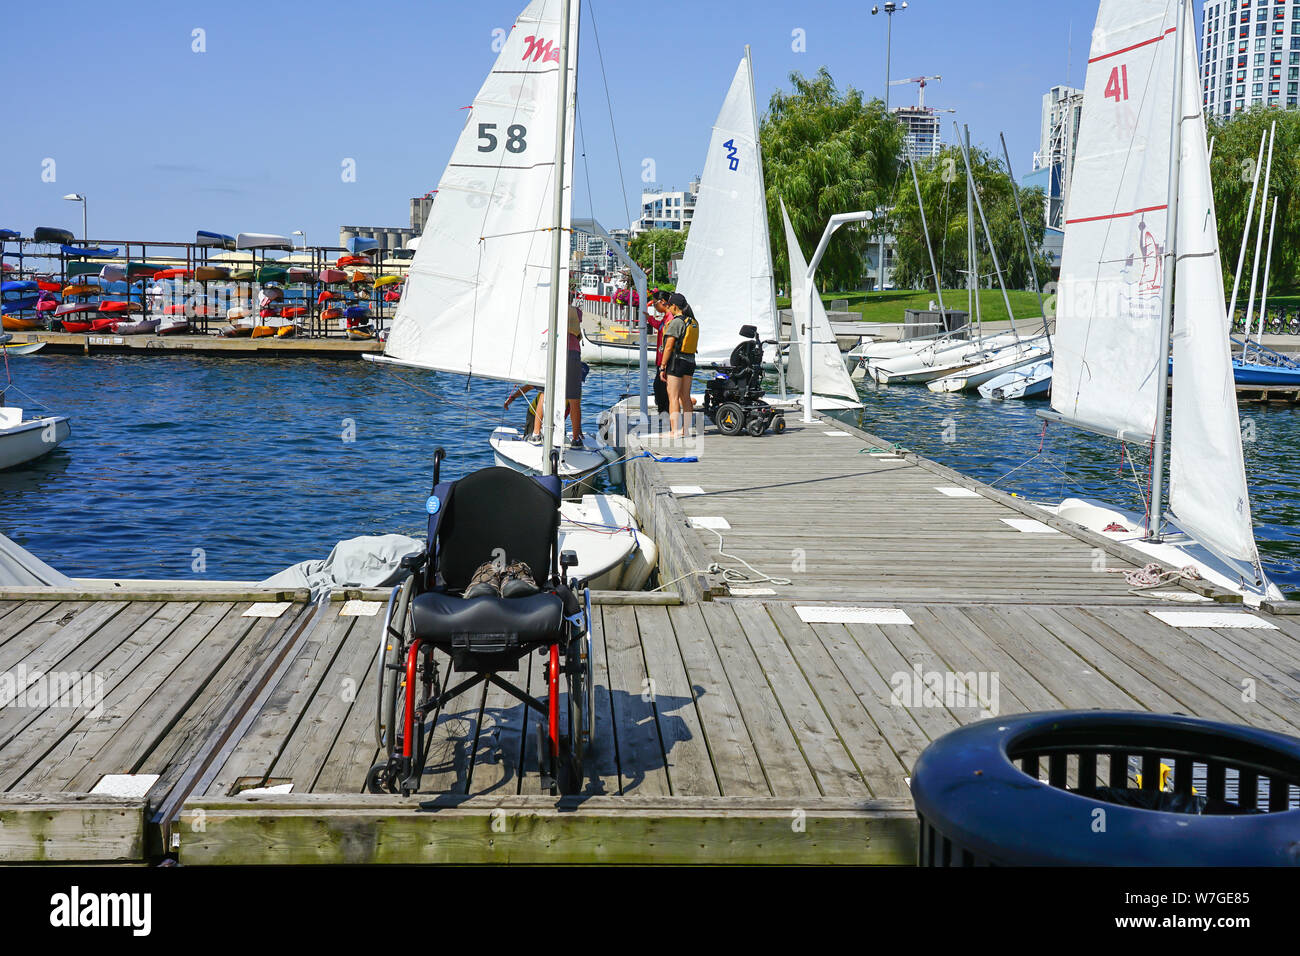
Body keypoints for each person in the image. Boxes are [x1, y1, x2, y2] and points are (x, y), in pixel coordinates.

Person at [659, 292, 699, 438]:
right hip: (690, 361)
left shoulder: (677, 322)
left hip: (677, 362)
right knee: (686, 397)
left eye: (669, 305)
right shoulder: (692, 321)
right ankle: (685, 430)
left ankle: (674, 431)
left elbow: (669, 346)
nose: (668, 307)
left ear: (674, 306)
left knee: (674, 397)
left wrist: (663, 366)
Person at [647, 290, 671, 416]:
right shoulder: (665, 318)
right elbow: (659, 326)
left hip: (665, 360)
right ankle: (663, 411)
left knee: (661, 387)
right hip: (660, 358)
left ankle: (665, 412)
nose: (654, 306)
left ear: (663, 302)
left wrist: (663, 365)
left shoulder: (670, 319)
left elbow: (669, 344)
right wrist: (649, 318)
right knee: (659, 387)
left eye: (655, 303)